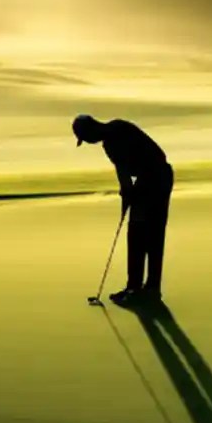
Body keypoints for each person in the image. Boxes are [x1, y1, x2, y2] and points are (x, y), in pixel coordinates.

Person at [73, 114, 173, 305]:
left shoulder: (114, 136)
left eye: (85, 138)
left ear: (90, 130)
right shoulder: (114, 133)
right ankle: (137, 287)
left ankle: (145, 289)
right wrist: (127, 195)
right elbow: (123, 173)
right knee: (142, 233)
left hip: (156, 178)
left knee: (145, 234)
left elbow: (126, 172)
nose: (87, 142)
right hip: (153, 178)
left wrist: (127, 195)